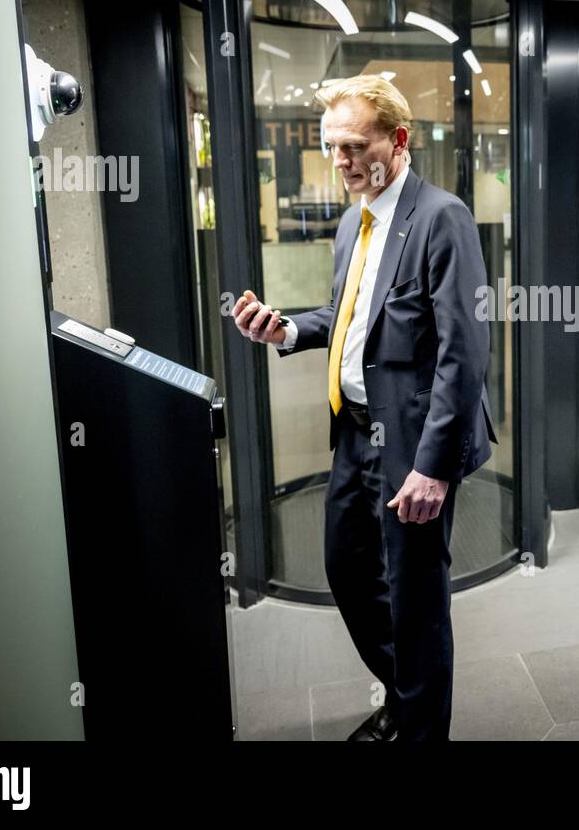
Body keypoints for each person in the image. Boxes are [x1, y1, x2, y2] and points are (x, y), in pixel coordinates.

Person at [232, 74, 496, 741]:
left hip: (413, 442)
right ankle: (408, 700)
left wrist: (433, 468)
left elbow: (463, 354)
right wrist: (287, 329)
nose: (341, 161)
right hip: (353, 433)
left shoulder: (442, 217)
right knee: (347, 571)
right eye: (332, 148)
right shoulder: (354, 222)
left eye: (354, 145)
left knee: (416, 602)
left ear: (398, 141)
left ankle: (420, 727)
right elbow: (350, 317)